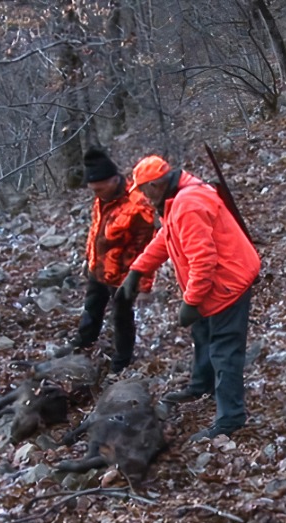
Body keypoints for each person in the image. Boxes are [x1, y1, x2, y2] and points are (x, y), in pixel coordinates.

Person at [115, 155, 260, 441]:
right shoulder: (176, 198)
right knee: (203, 335)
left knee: (225, 350)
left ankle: (231, 418)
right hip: (215, 283)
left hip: (227, 284)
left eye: (144, 191)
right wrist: (138, 269)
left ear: (155, 185)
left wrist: (191, 302)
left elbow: (203, 261)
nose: (143, 197)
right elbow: (167, 238)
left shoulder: (187, 204)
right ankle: (201, 385)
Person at [62, 148, 156, 372]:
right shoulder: (100, 199)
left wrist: (144, 286)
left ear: (114, 180)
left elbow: (149, 248)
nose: (98, 193)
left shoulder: (137, 204)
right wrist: (90, 259)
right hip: (99, 268)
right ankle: (85, 339)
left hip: (125, 275)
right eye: (94, 189)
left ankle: (122, 361)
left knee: (122, 318)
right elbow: (96, 231)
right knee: (92, 306)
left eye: (101, 188)